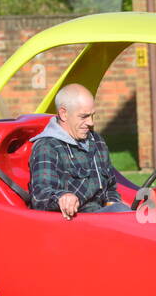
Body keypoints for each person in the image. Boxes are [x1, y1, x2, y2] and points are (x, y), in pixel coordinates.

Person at [28, 83, 130, 218]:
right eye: (84, 116)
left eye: (92, 115)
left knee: (142, 214)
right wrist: (62, 197)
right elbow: (41, 196)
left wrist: (112, 203)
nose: (91, 123)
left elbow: (110, 188)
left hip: (102, 220)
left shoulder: (96, 141)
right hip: (72, 223)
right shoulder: (47, 147)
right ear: (64, 114)